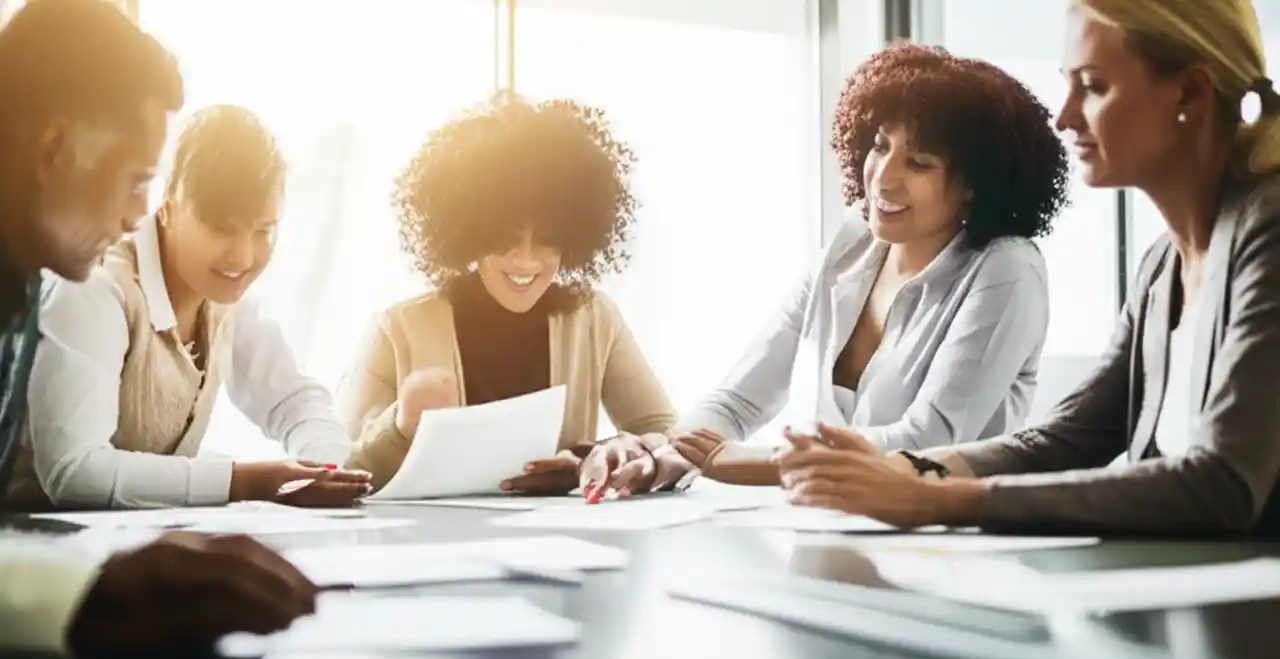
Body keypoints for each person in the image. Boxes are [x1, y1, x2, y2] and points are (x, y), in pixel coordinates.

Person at [779, 0, 1280, 536]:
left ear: (1191, 93)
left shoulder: (1269, 230)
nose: (1064, 116)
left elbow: (1222, 484)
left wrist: (936, 500)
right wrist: (904, 468)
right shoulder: (1162, 266)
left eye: (1092, 86)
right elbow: (1070, 440)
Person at [581, 43, 1070, 497]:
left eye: (919, 162)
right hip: (825, 529)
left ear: (975, 185)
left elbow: (928, 440)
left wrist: (742, 463)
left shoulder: (1007, 269)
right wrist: (658, 455)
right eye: (880, 146)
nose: (884, 175)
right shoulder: (851, 245)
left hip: (948, 543)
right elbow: (737, 403)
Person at [0, 0, 316, 656]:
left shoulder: (21, 286)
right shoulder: (86, 288)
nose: (136, 215)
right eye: (137, 180)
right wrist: (89, 592)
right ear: (55, 149)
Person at [11, 104, 372, 509]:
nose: (242, 256)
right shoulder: (96, 286)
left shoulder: (228, 301)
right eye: (221, 228)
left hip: (132, 547)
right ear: (167, 203)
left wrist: (321, 470)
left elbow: (296, 401)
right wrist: (247, 482)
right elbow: (73, 472)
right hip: (29, 547)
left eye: (263, 230)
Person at [341, 93, 675, 493]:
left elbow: (665, 435)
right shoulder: (399, 329)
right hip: (433, 546)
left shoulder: (596, 319)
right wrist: (402, 425)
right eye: (504, 239)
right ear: (468, 233)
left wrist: (614, 451)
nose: (526, 261)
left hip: (560, 547)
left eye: (548, 240)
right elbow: (344, 473)